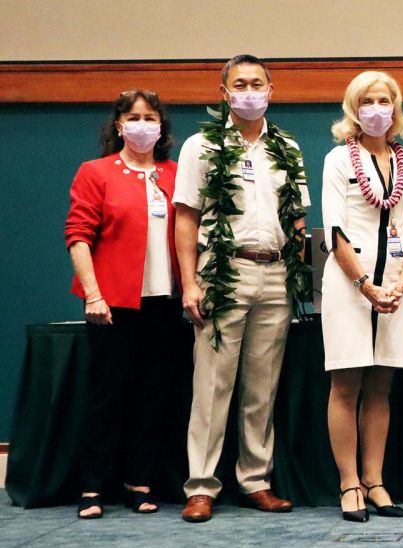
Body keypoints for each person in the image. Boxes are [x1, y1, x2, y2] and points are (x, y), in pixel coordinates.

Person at [174, 54, 310, 523]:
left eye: (257, 83)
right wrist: (189, 282)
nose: (249, 91)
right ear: (224, 90)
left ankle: (256, 480)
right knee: (212, 384)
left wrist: (298, 278)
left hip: (274, 275)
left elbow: (297, 219)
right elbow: (187, 216)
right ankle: (201, 486)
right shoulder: (201, 145)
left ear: (271, 90)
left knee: (262, 386)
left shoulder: (287, 148)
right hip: (221, 274)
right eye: (240, 84)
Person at [65, 90, 180, 519]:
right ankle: (93, 486)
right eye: (133, 117)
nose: (142, 124)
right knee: (107, 395)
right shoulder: (95, 172)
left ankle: (139, 480)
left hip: (163, 302)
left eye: (151, 117)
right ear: (118, 125)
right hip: (111, 302)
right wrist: (93, 294)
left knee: (153, 395)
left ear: (161, 127)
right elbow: (78, 235)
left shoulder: (175, 174)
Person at [321, 71, 403, 522]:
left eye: (384, 100)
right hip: (350, 284)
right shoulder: (338, 160)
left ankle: (375, 481)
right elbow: (335, 231)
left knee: (381, 385)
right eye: (367, 101)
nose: (377, 109)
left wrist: (398, 285)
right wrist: (365, 284)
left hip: (396, 288)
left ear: (396, 108)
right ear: (353, 108)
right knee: (346, 384)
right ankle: (349, 485)